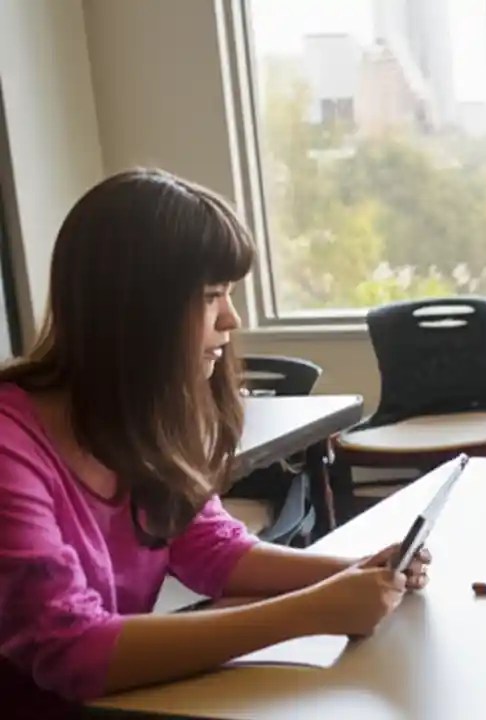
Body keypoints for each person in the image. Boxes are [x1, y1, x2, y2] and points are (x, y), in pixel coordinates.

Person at [0, 169, 430, 716]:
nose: (232, 318)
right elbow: (71, 651)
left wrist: (357, 570)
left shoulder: (139, 417)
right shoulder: (9, 447)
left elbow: (209, 547)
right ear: (136, 310)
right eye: (211, 297)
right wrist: (313, 611)